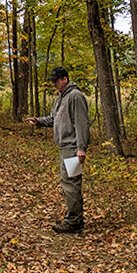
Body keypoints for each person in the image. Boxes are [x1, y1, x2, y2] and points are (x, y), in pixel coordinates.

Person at [26, 66, 90, 233]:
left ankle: (73, 221)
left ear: (65, 79)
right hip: (64, 147)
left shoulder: (75, 96)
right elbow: (54, 119)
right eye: (52, 81)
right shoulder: (61, 97)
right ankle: (74, 217)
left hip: (73, 147)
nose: (54, 84)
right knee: (68, 183)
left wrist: (81, 148)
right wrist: (38, 121)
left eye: (56, 80)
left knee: (71, 184)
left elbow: (82, 123)